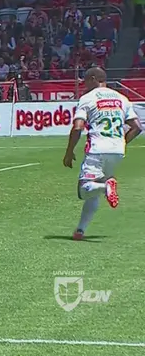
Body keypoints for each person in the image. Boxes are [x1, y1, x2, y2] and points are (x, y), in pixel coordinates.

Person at [62, 67, 142, 240]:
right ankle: (80, 230)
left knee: (84, 190)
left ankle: (106, 187)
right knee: (93, 191)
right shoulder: (122, 98)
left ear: (93, 79)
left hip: (97, 149)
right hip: (117, 150)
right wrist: (122, 142)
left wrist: (69, 152)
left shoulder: (87, 98)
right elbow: (137, 127)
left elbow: (77, 127)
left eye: (85, 80)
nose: (83, 84)